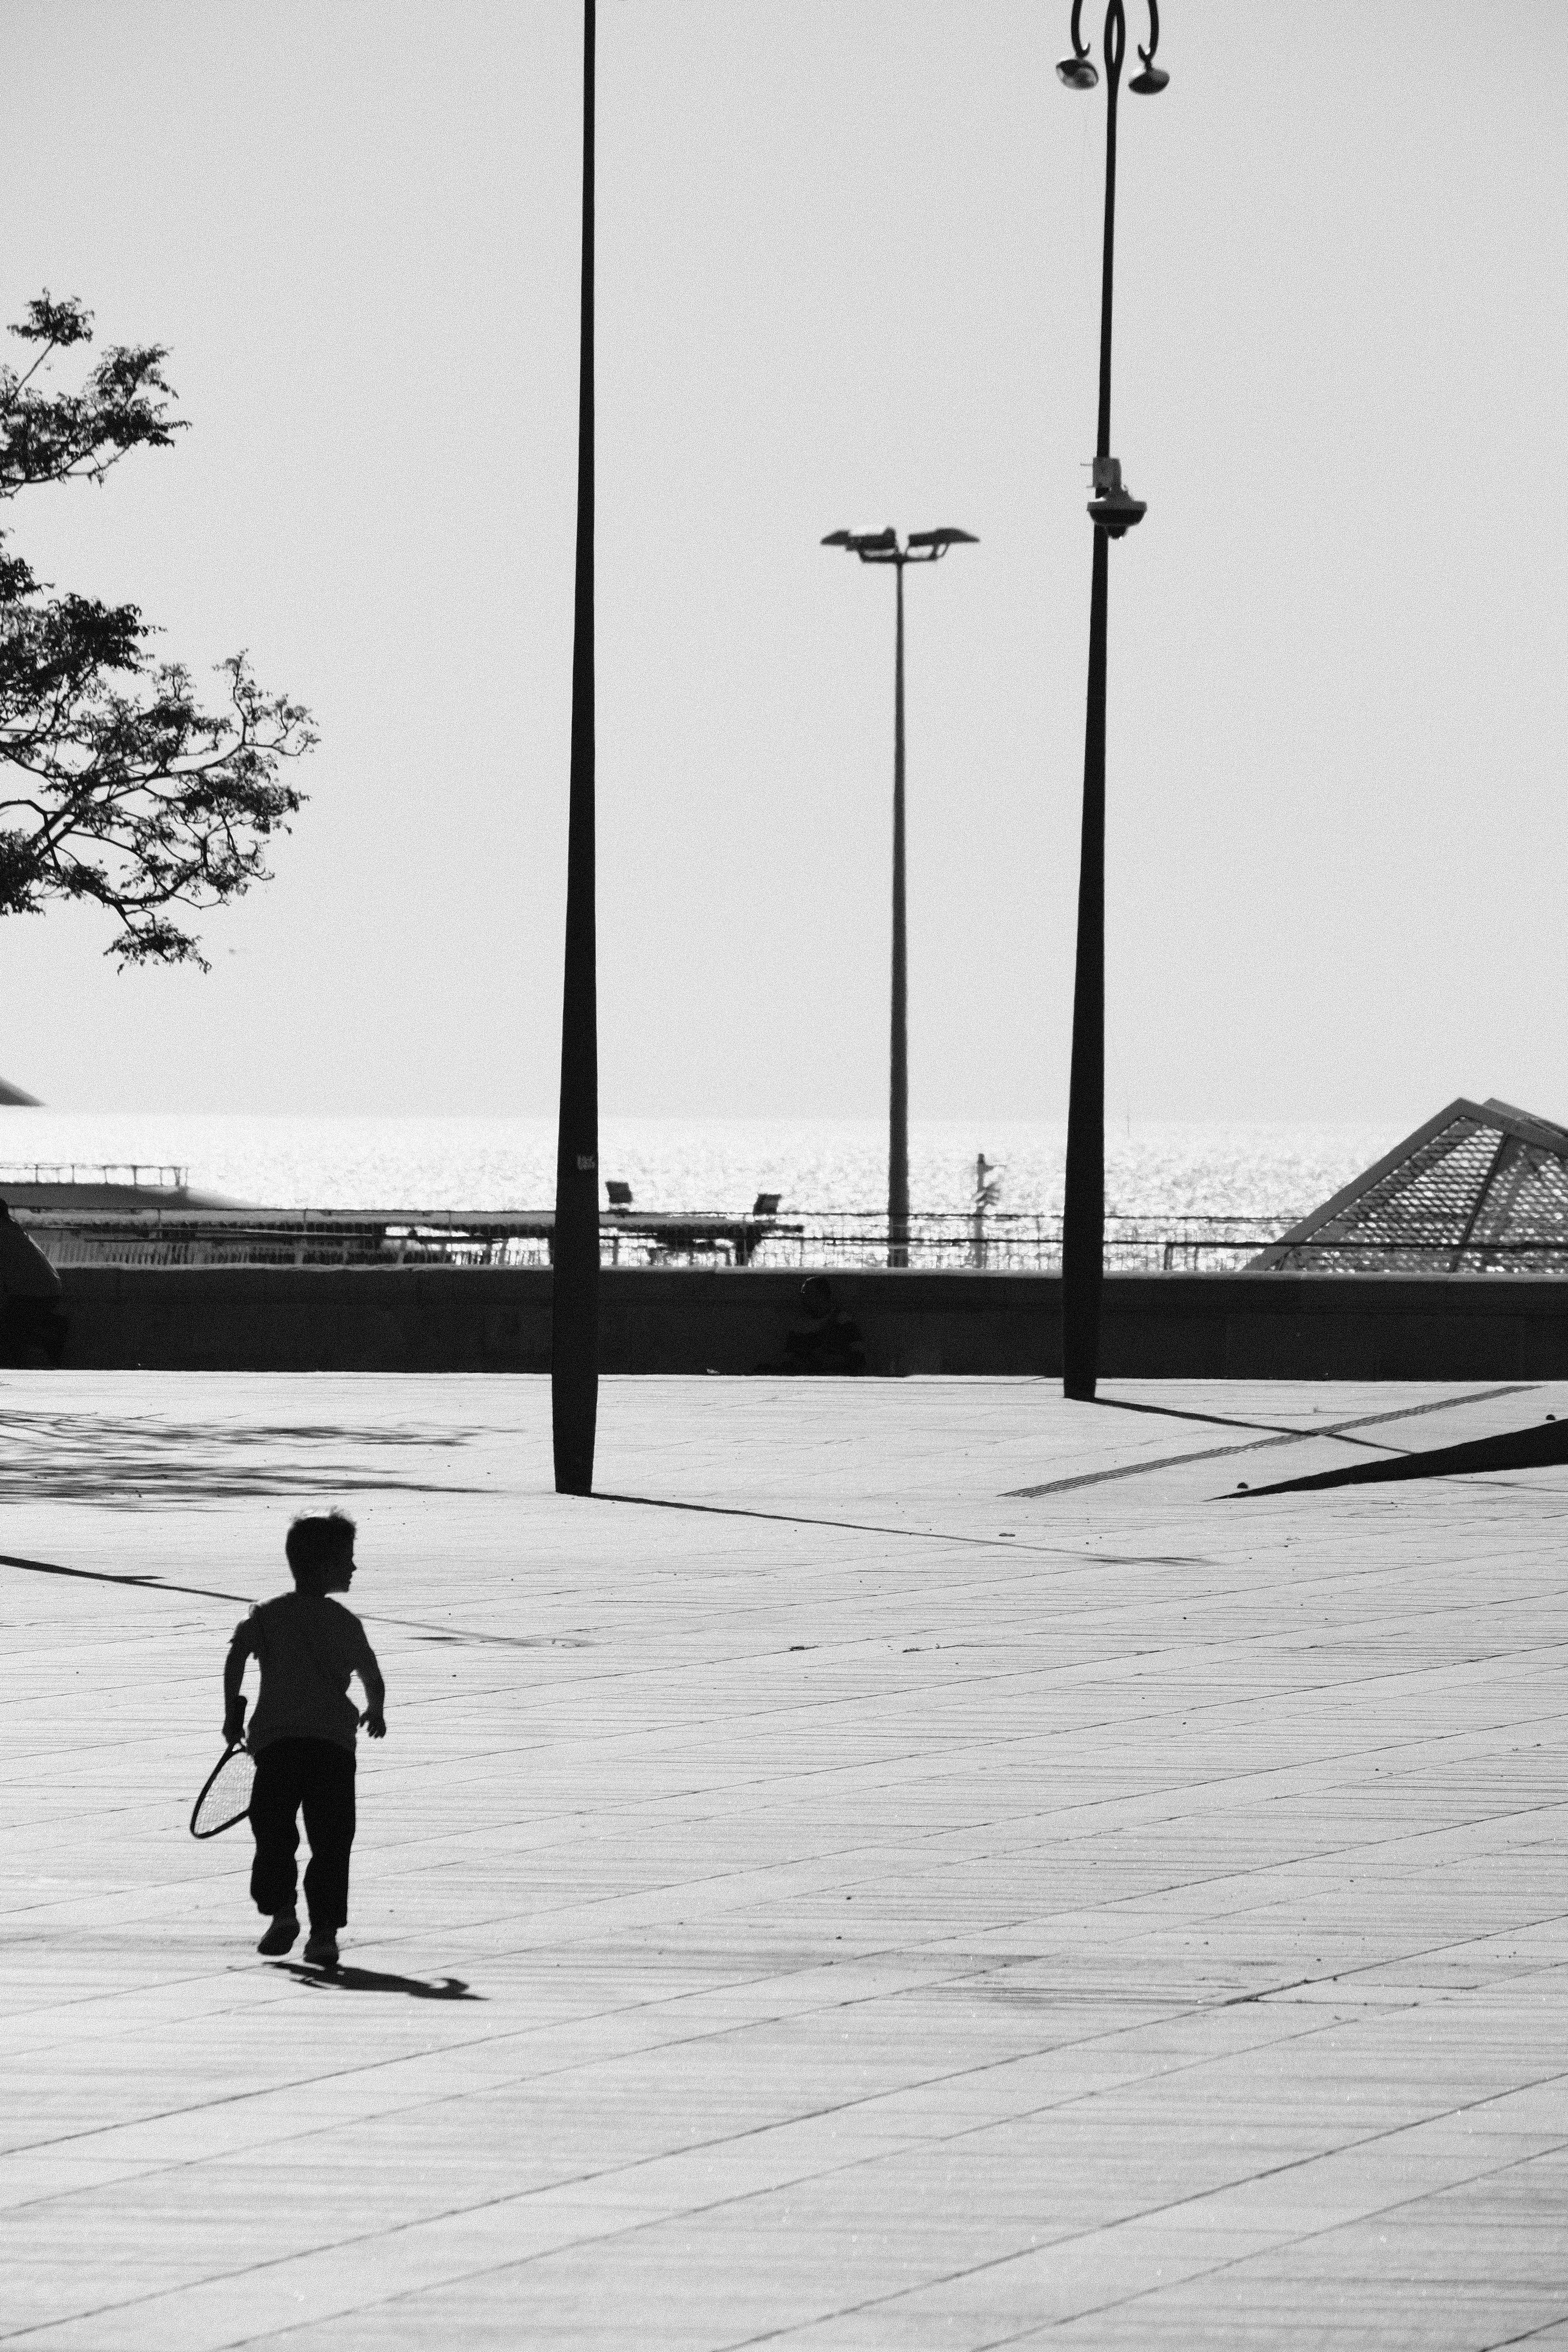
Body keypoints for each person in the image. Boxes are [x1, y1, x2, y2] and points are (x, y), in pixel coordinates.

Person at [223, 1510, 386, 1967]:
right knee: (332, 1840)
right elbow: (371, 1675)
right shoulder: (344, 1622)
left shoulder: (267, 1615)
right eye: (347, 1560)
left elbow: (236, 1657)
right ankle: (324, 1934)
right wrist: (376, 1709)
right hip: (333, 1748)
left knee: (272, 1832)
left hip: (277, 1746)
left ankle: (282, 1912)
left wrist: (231, 1713)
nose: (353, 1569)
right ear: (324, 1566)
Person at [0, 1199, 68, 1367]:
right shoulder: (13, 1230)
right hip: (47, 1289)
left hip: (32, 1292)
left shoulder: (4, 1234)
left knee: (8, 1334)